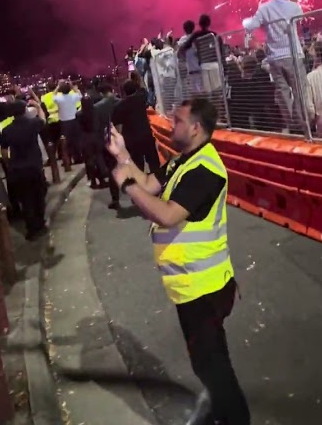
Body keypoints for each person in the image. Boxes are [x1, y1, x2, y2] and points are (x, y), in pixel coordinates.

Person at [106, 98, 249, 425]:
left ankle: (233, 417)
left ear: (196, 127)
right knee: (207, 362)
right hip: (191, 285)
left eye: (179, 121)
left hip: (205, 288)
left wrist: (127, 184)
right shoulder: (182, 162)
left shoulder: (205, 169)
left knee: (213, 366)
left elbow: (167, 214)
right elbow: (150, 185)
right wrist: (123, 155)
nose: (171, 125)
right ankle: (220, 408)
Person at [243, 0, 307, 133]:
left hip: (274, 58)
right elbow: (301, 18)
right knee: (300, 91)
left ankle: (291, 125)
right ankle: (302, 124)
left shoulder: (264, 8)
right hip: (293, 55)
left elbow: (250, 26)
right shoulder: (294, 6)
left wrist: (245, 23)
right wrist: (294, 2)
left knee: (283, 92)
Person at [0, 102, 49, 239]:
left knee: (26, 199)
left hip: (17, 169)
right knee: (39, 195)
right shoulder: (33, 123)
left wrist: (9, 163)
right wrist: (38, 106)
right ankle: (39, 223)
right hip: (34, 166)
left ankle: (31, 228)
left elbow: (3, 150)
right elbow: (43, 119)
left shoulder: (7, 129)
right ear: (24, 110)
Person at [113, 79, 162, 177]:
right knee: (153, 162)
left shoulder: (119, 106)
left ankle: (142, 183)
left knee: (138, 165)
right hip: (146, 135)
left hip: (131, 140)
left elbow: (117, 124)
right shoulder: (141, 98)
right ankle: (159, 182)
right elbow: (143, 88)